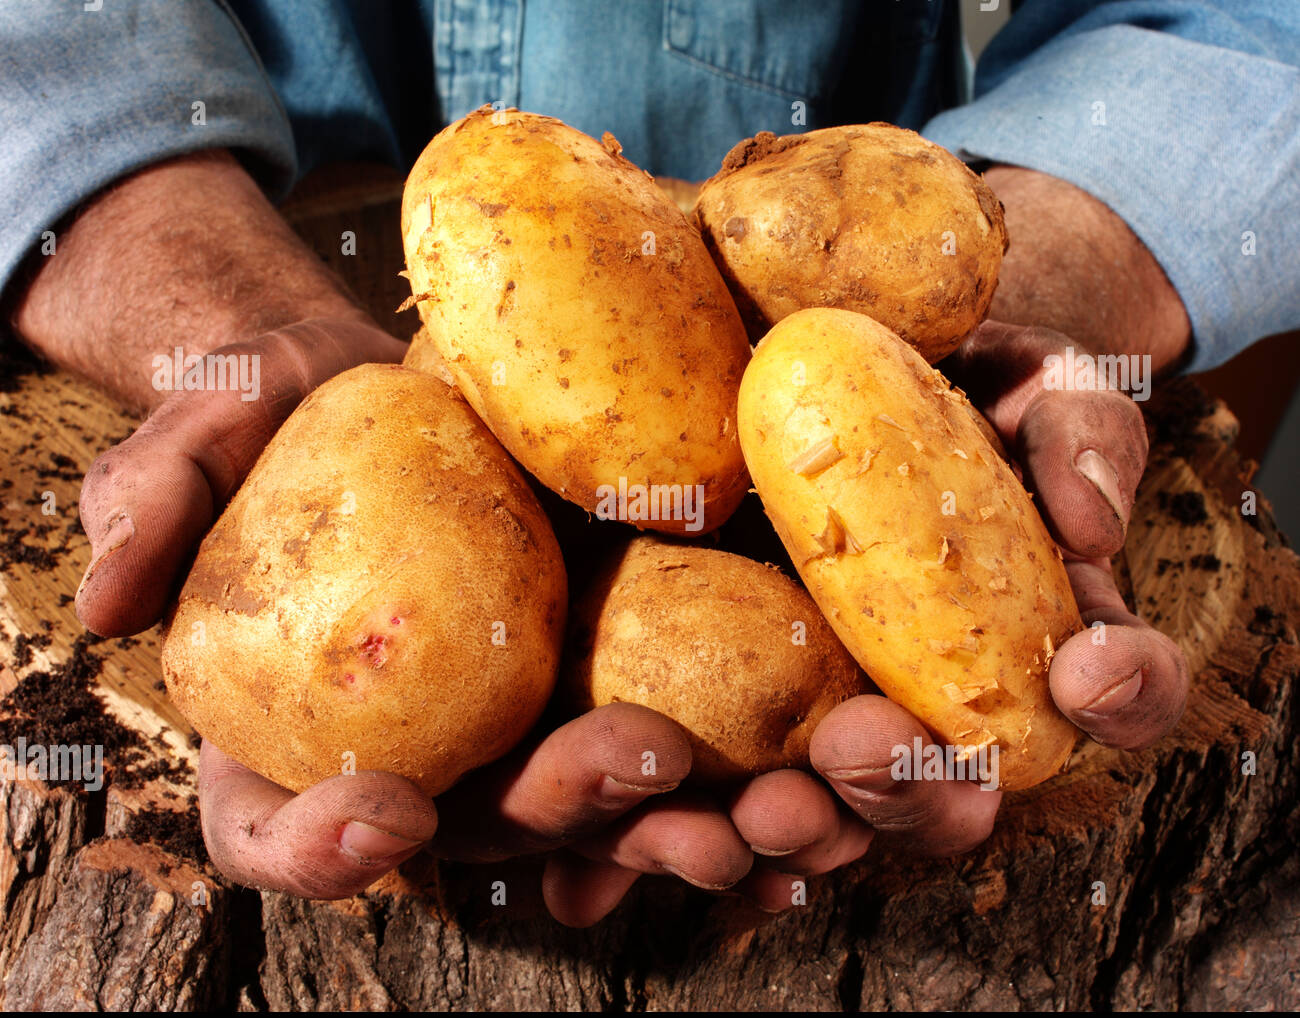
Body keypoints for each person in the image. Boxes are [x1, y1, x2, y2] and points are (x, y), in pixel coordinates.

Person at [3, 1, 1296, 927]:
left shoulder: (786, 350)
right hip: (267, 235)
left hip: (793, 312)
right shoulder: (449, 397)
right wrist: (202, 301)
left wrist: (1043, 275)